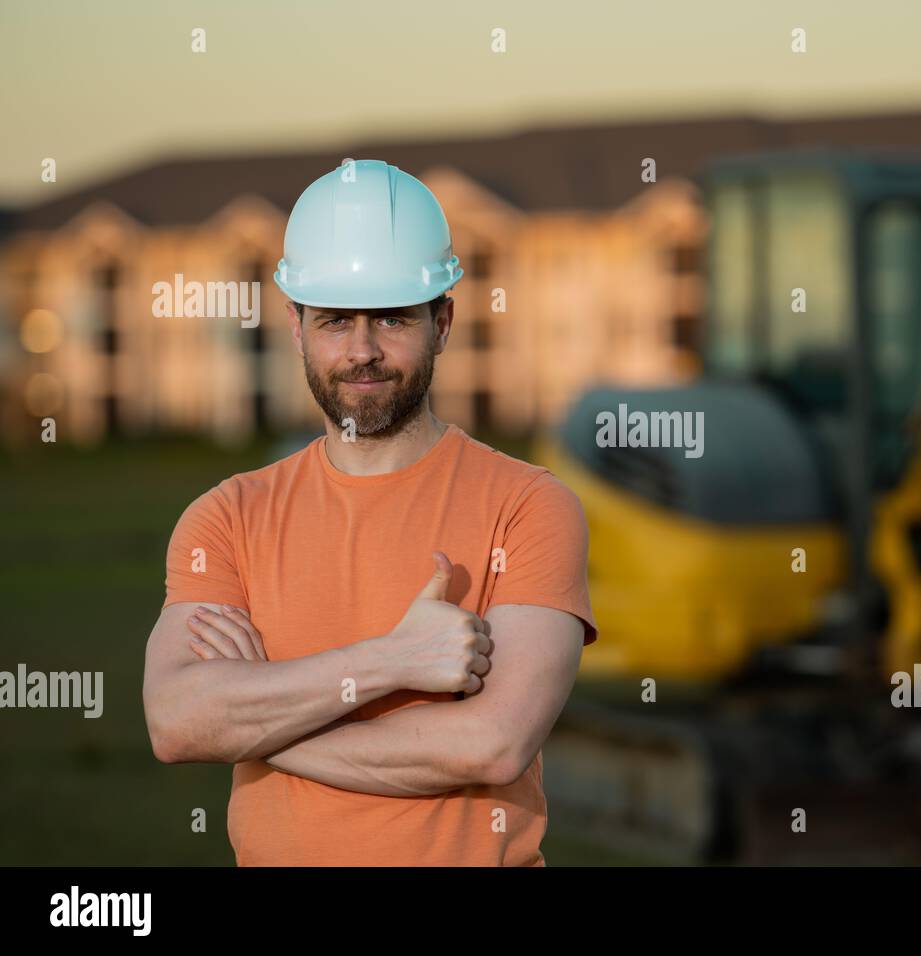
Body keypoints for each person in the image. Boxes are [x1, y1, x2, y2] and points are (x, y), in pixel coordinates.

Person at [142, 159, 597, 866]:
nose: (362, 351)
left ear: (442, 321)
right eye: (334, 321)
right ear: (295, 327)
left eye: (391, 317)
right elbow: (175, 722)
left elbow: (493, 743)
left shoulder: (529, 506)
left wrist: (250, 720)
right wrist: (392, 661)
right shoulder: (226, 517)